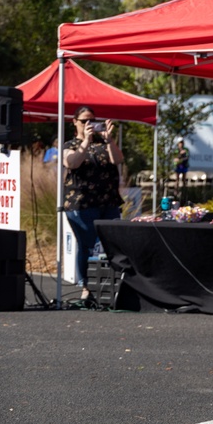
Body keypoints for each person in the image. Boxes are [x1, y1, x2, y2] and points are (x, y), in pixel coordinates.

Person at [63, 107, 124, 302]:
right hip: (82, 203)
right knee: (87, 245)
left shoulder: (103, 143)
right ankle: (86, 288)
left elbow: (118, 160)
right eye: (84, 121)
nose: (88, 125)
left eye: (92, 121)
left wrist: (109, 140)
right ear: (74, 122)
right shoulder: (70, 144)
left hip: (108, 201)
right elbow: (72, 163)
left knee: (112, 244)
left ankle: (109, 286)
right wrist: (86, 142)